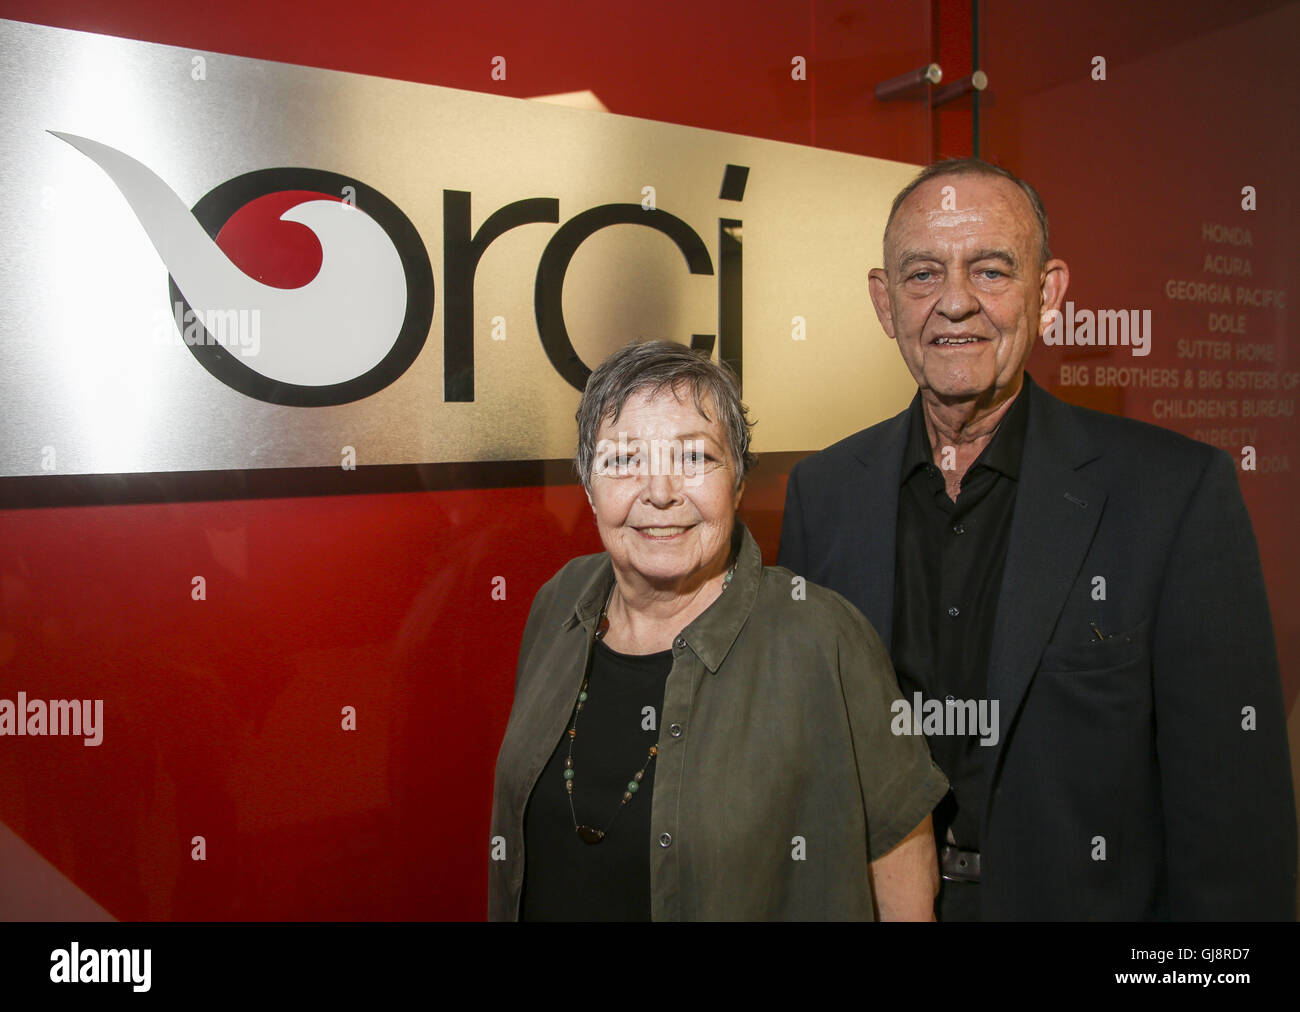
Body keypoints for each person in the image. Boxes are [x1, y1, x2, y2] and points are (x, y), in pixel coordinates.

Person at [779, 158, 1297, 920]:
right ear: (885, 303)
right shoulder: (823, 494)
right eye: (922, 276)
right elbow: (798, 759)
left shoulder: (1175, 494)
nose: (954, 303)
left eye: (991, 271)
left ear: (1048, 295)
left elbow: (1233, 820)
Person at [489, 340, 948, 920]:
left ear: (736, 483)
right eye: (625, 460)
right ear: (588, 485)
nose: (660, 493)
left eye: (694, 457)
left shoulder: (822, 637)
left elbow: (903, 872)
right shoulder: (559, 603)